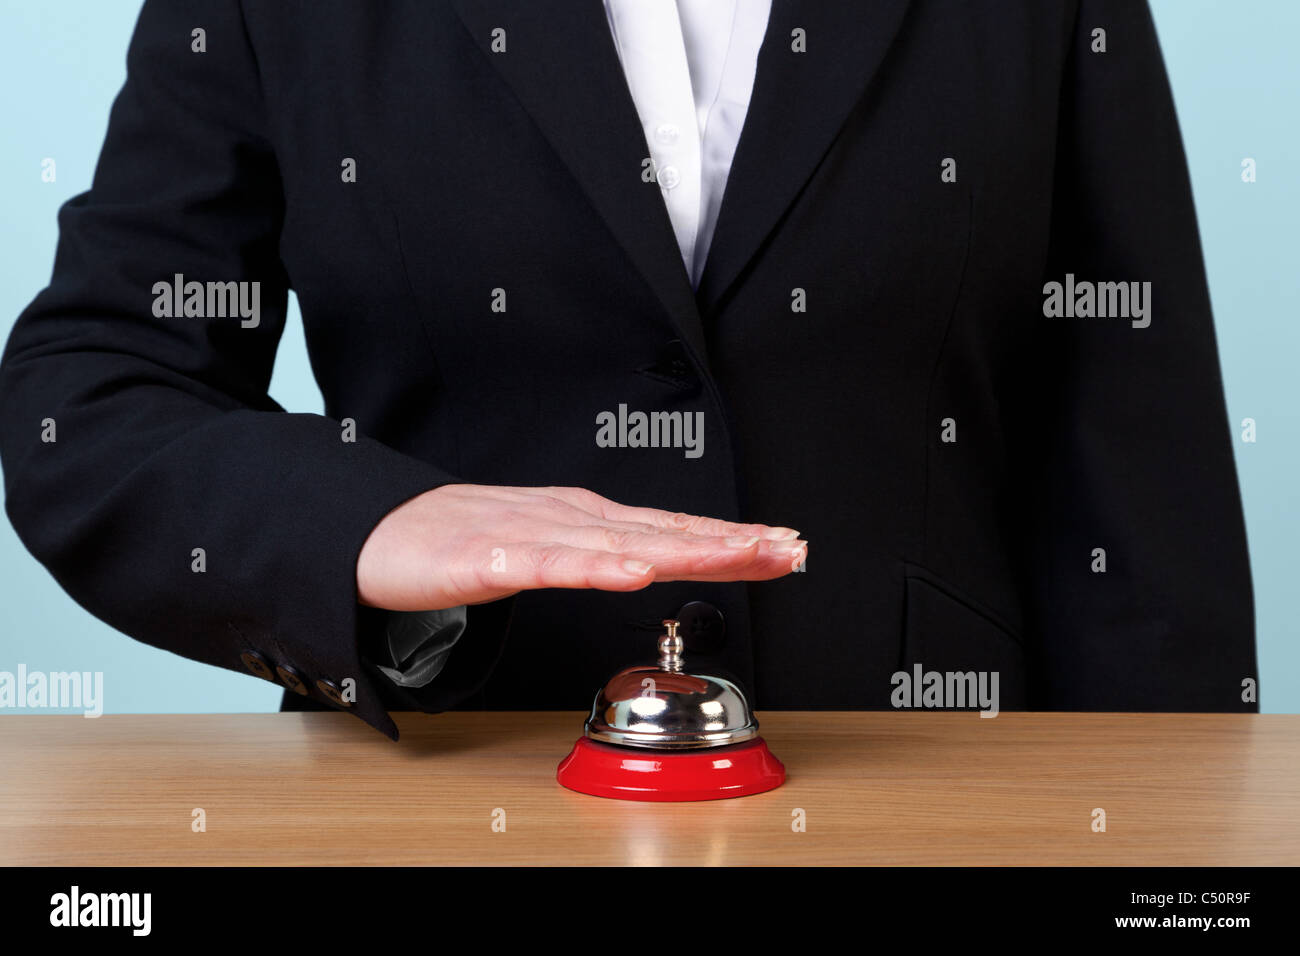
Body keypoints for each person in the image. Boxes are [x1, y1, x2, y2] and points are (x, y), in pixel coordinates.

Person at [0, 0, 1256, 741]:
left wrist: (1177, 890)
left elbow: (1141, 469)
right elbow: (94, 390)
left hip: (943, 809)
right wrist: (366, 522)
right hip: (438, 806)